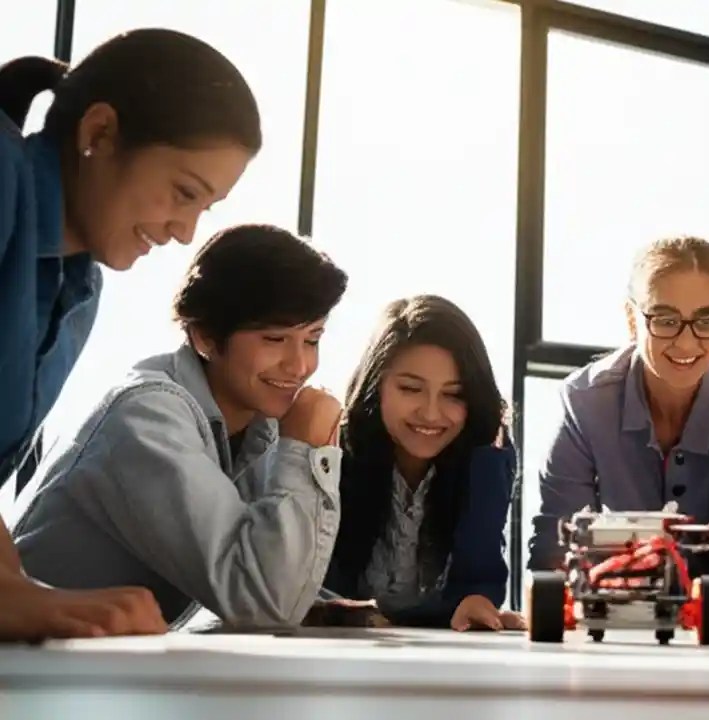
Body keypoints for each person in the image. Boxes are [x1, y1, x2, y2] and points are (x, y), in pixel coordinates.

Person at [0, 28, 260, 640]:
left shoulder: (78, 289)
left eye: (206, 208)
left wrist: (23, 590)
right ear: (98, 134)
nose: (185, 231)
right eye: (183, 193)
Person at [12, 224, 348, 630]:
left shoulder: (260, 425)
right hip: (24, 668)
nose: (299, 367)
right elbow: (263, 602)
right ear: (204, 337)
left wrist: (321, 600)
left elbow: (256, 572)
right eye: (274, 339)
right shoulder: (148, 417)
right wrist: (304, 452)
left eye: (312, 339)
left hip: (94, 666)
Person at [528, 236, 709, 575]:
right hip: (614, 607)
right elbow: (556, 544)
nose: (687, 343)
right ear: (631, 318)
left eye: (707, 321)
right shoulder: (585, 403)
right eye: (666, 320)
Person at [324, 295, 522, 632]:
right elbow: (301, 587)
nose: (431, 413)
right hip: (335, 649)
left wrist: (475, 602)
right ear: (377, 386)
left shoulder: (487, 455)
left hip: (439, 651)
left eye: (453, 394)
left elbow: (480, 577)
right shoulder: (333, 447)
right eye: (411, 388)